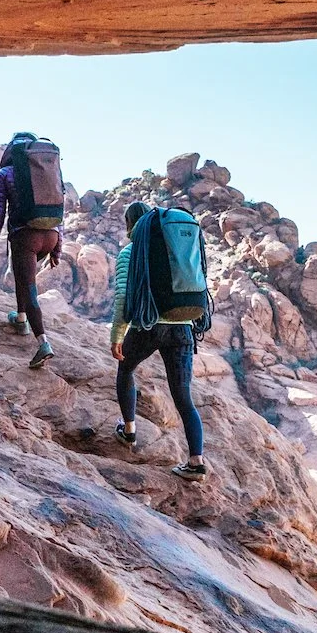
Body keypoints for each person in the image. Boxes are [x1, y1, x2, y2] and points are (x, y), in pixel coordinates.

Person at [110, 199, 209, 480]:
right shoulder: (171, 250)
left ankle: (128, 431)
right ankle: (196, 462)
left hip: (149, 326)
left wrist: (117, 336)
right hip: (182, 328)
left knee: (126, 369)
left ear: (130, 225)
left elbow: (122, 298)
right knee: (183, 397)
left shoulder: (130, 252)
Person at [0, 132, 61, 368]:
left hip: (26, 235)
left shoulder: (3, 175)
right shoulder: (48, 174)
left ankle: (43, 343)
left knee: (29, 287)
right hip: (51, 235)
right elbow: (59, 210)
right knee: (22, 274)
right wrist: (57, 249)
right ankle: (21, 317)